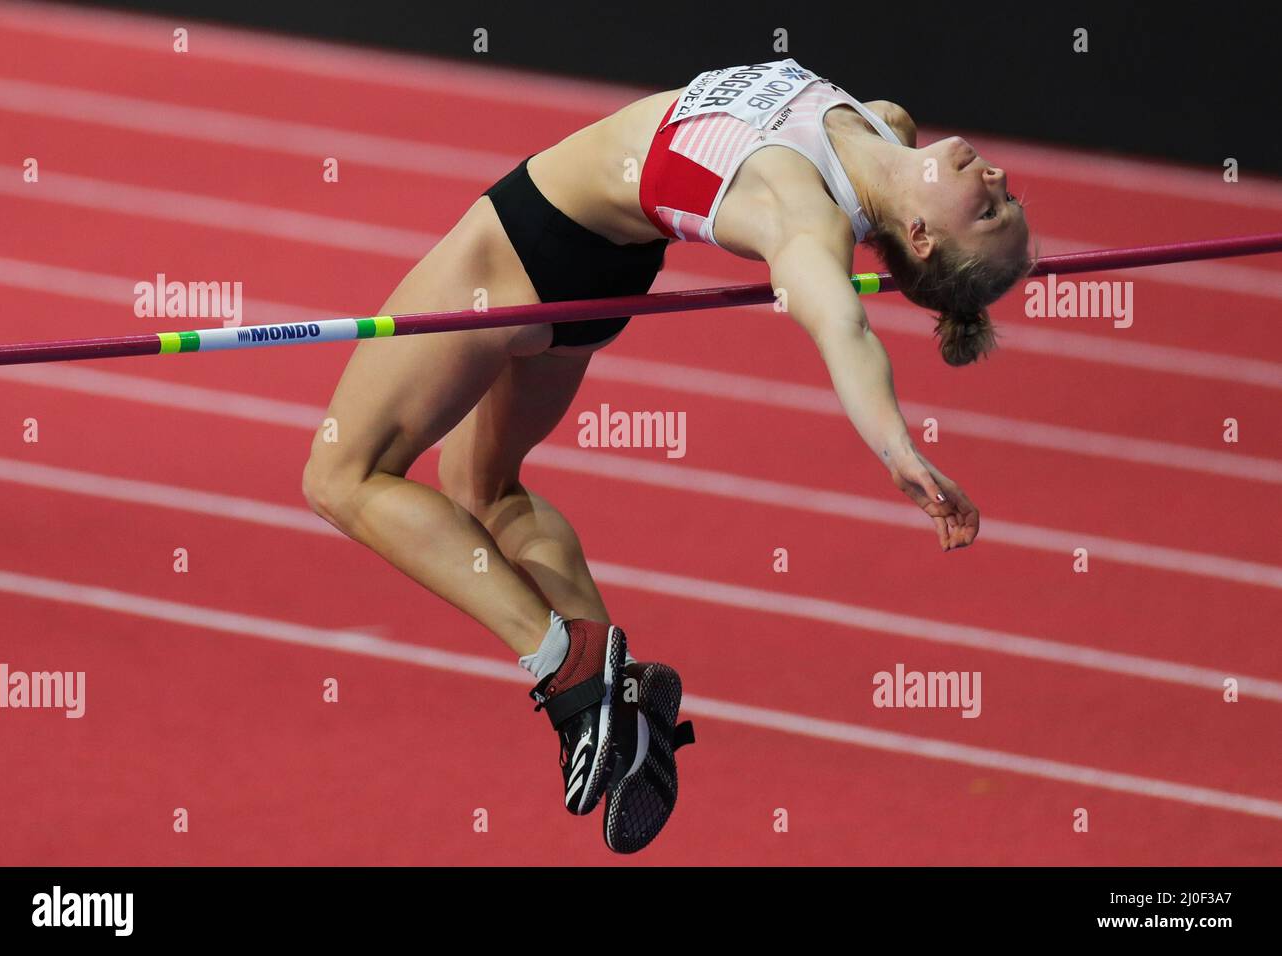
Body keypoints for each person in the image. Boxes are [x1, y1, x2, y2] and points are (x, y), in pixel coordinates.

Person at [301, 58, 1032, 853]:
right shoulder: (884, 125)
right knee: (482, 489)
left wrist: (898, 446)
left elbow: (842, 327)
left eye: (986, 209)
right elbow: (891, 154)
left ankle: (563, 667)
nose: (993, 177)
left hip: (524, 249)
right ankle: (621, 700)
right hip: (605, 270)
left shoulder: (801, 217)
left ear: (922, 236)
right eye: (1006, 198)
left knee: (342, 476)